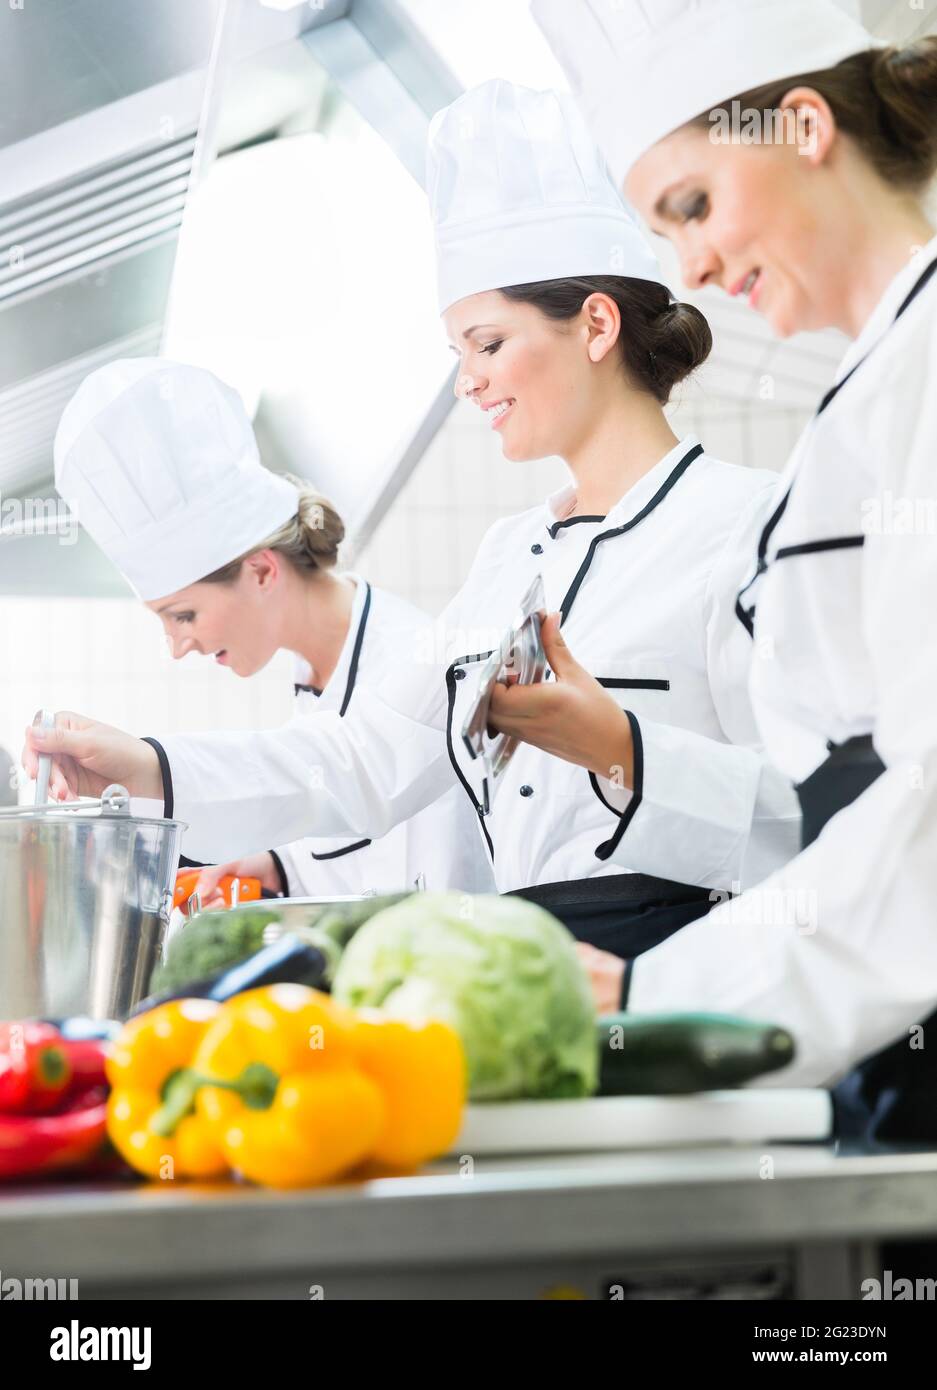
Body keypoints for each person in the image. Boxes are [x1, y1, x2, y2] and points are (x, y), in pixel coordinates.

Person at [23, 82, 799, 975]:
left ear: (595, 324)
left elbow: (811, 816)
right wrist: (145, 765)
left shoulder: (746, 523)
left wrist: (621, 752)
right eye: (457, 354)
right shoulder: (510, 559)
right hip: (536, 977)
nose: (467, 381)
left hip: (692, 979)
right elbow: (361, 759)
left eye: (488, 343)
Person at [521, 0, 937, 1138]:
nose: (693, 265)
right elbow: (828, 799)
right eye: (664, 234)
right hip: (870, 1014)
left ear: (804, 125)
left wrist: (672, 996)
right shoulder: (869, 389)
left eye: (691, 205)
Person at [47, 359, 494, 900]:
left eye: (183, 615)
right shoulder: (315, 672)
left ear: (261, 571)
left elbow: (437, 885)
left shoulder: (410, 659)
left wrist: (149, 768)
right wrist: (280, 867)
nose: (177, 646)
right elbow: (344, 817)